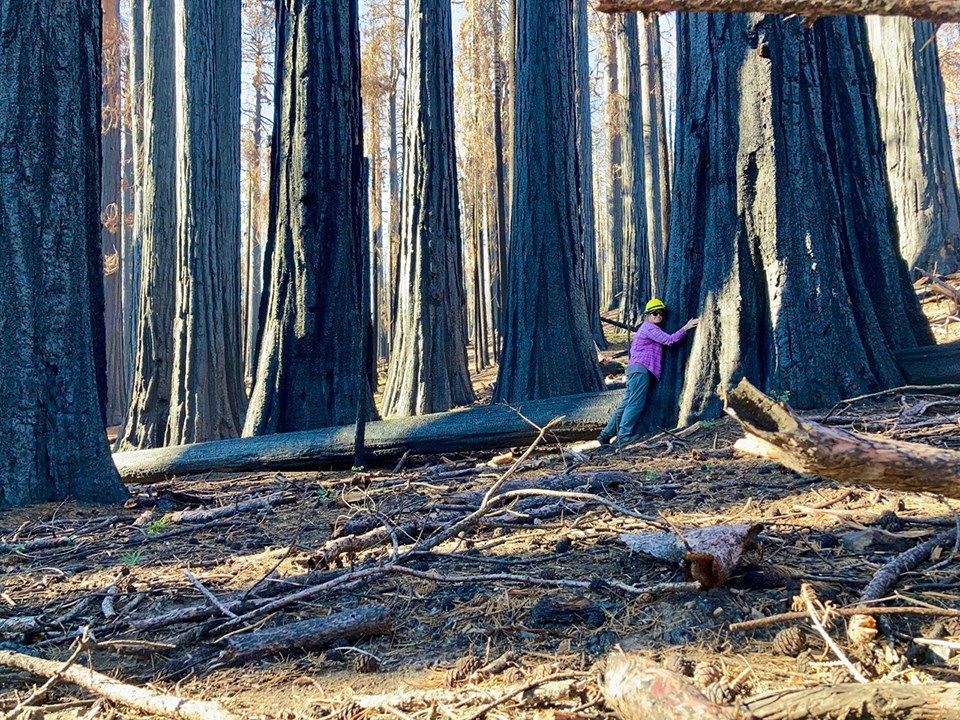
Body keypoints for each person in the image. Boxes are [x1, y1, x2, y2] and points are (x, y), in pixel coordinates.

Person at [598, 298, 699, 448]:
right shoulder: (649, 328)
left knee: (626, 404)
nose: (658, 316)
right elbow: (669, 340)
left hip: (635, 370)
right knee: (635, 403)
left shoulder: (648, 328)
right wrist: (686, 327)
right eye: (654, 313)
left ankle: (606, 435)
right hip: (640, 370)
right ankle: (624, 435)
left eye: (661, 313)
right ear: (647, 315)